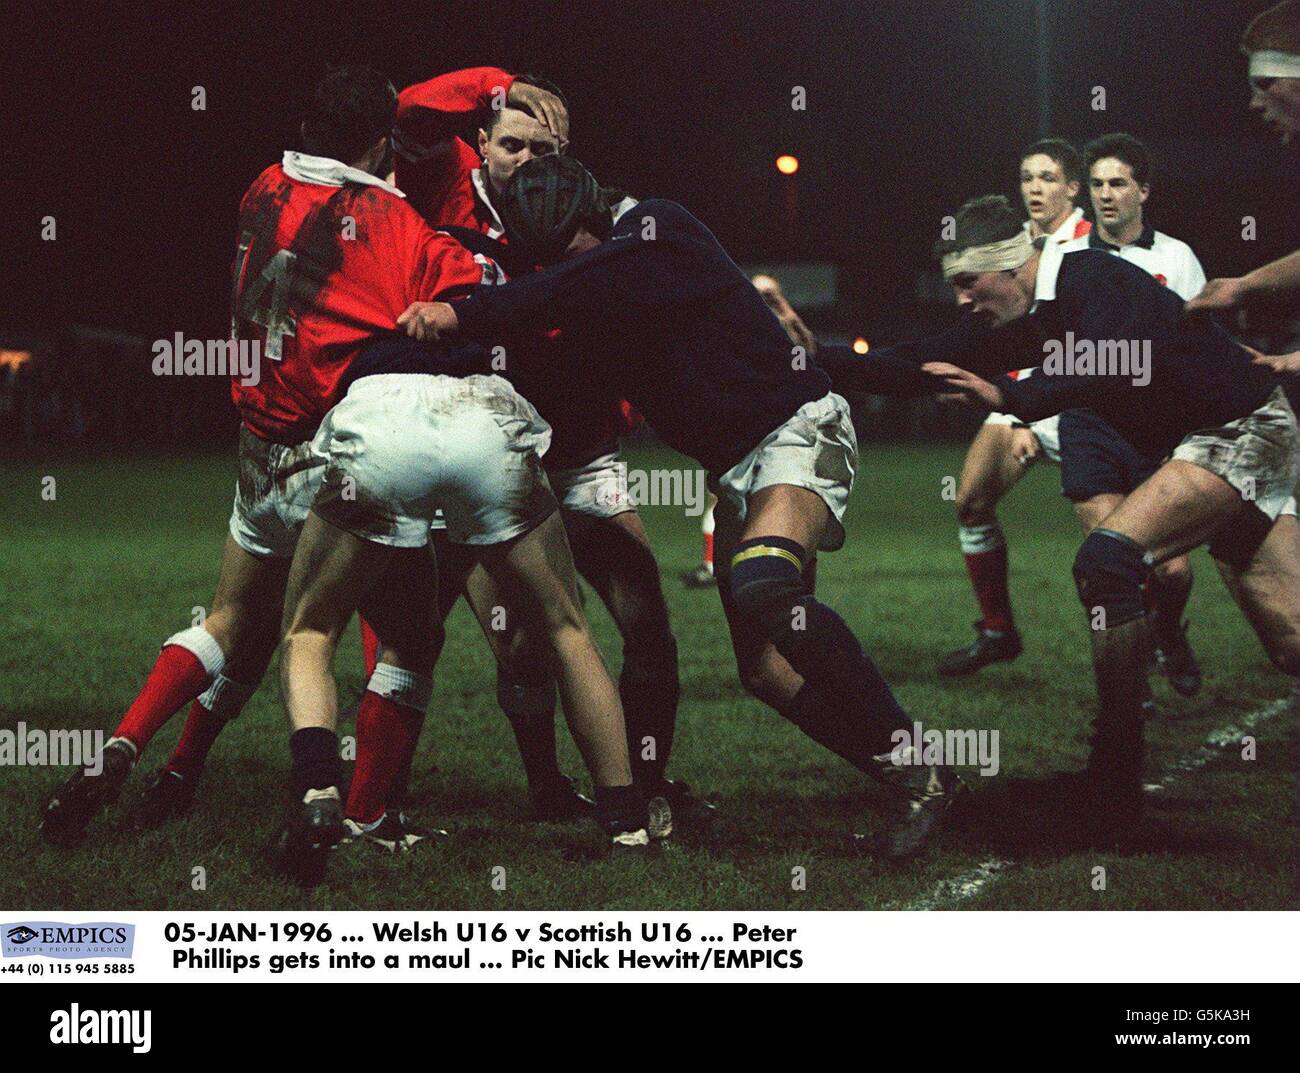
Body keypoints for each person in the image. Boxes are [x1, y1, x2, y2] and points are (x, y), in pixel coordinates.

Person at [399, 155, 965, 859]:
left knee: (765, 582)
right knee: (763, 671)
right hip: (736, 469)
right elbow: (545, 331)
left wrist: (462, 309)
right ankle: (913, 776)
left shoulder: (658, 227)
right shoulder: (592, 301)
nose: (569, 268)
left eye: (568, 249)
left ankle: (921, 769)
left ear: (594, 220)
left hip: (798, 429)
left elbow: (569, 284)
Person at [40, 67, 498, 851]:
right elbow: (471, 292)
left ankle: (124, 749)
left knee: (230, 621)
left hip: (257, 446)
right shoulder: (392, 221)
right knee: (404, 635)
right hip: (333, 451)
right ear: (381, 140)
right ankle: (357, 805)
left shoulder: (260, 186)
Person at [870, 194, 1300, 835]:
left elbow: (1110, 358)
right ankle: (1116, 777)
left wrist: (1014, 393)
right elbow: (920, 359)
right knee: (1289, 640)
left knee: (1108, 560)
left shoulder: (1089, 275)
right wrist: (805, 363)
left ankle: (1115, 778)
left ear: (1010, 264)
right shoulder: (1029, 314)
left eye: (967, 283)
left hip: (1240, 428)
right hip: (1204, 439)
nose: (961, 300)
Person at [937, 139, 1092, 677]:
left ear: (1074, 187)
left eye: (1047, 177)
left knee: (1117, 548)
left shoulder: (1090, 248)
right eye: (1027, 177)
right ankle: (998, 630)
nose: (1034, 188)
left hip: (1083, 400)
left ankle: (1154, 637)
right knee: (970, 502)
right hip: (1026, 399)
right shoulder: (1012, 248)